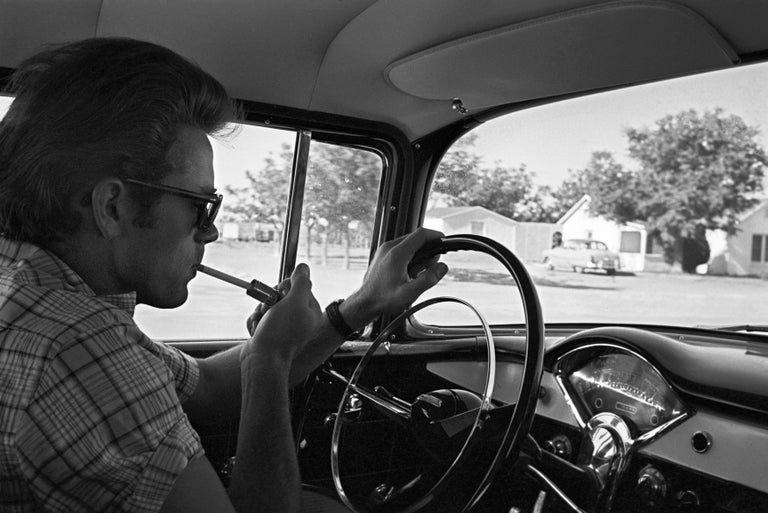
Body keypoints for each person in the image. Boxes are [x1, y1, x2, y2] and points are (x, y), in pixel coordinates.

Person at [0, 38, 447, 513]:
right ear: (114, 206)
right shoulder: (82, 349)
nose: (210, 232)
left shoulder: (38, 292)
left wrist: (358, 309)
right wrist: (268, 361)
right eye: (201, 206)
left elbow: (208, 388)